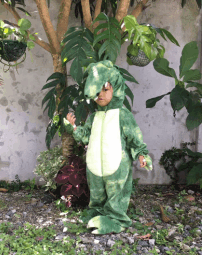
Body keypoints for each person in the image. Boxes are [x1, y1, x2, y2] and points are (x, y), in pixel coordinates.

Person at [64, 60, 153, 235]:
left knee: (115, 192)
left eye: (105, 89)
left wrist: (142, 154)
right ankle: (96, 212)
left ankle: (116, 219)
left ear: (116, 89)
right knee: (96, 192)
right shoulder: (93, 116)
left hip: (116, 164)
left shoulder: (123, 115)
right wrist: (73, 128)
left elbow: (134, 136)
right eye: (98, 91)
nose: (100, 95)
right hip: (95, 164)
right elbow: (85, 135)